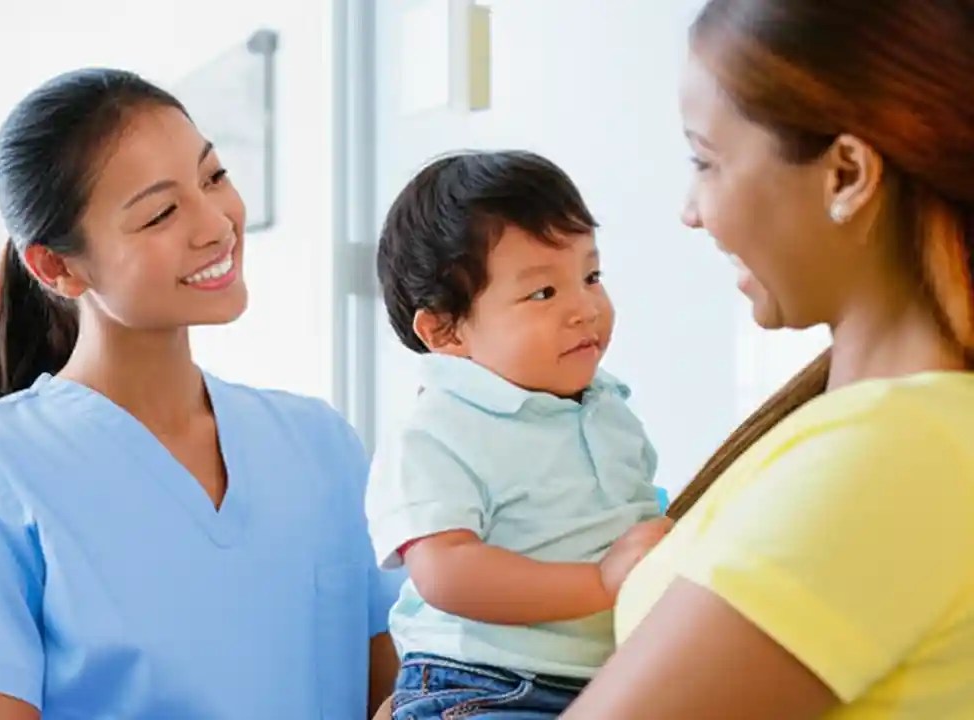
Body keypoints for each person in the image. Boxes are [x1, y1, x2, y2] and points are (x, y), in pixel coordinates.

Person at [0, 68, 401, 719]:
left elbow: (402, 695)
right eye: (161, 214)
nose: (216, 225)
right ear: (56, 267)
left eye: (213, 177)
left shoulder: (322, 445)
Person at [562, 1, 974, 717]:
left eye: (705, 161)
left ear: (846, 174)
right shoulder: (876, 430)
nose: (691, 210)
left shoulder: (896, 452)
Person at [368, 150, 672, 719]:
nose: (585, 308)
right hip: (479, 680)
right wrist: (599, 583)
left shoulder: (608, 408)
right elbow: (447, 572)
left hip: (603, 676)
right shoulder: (436, 431)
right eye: (543, 293)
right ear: (445, 330)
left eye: (591, 277)